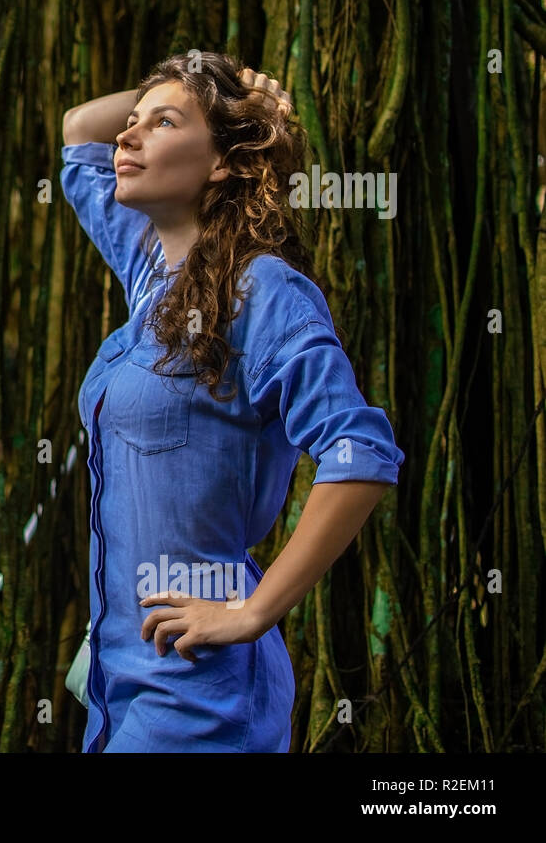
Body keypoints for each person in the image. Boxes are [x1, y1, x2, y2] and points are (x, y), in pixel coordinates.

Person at [60, 51, 405, 752]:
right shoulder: (150, 271)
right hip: (118, 679)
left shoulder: (264, 292)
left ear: (221, 163)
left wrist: (251, 612)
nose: (127, 137)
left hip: (198, 689)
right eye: (134, 124)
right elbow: (79, 129)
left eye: (162, 125)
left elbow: (360, 455)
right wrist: (218, 87)